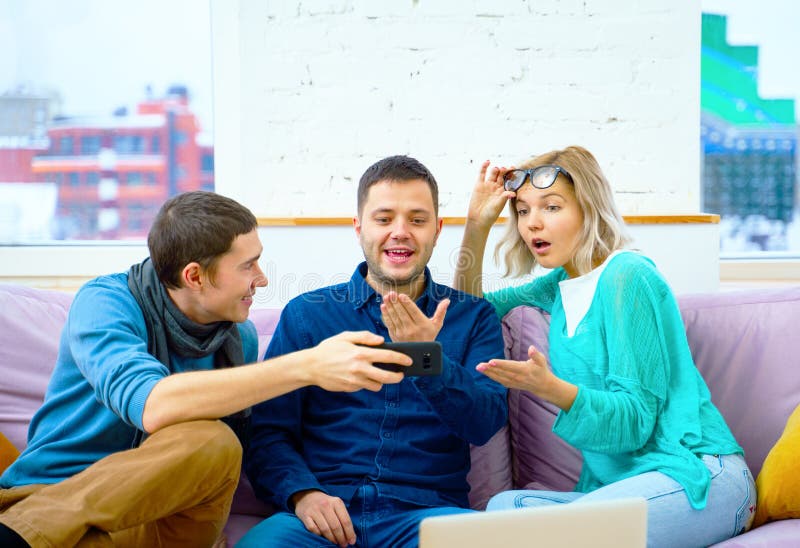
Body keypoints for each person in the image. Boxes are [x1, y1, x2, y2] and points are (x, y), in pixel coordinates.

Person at [0, 191, 413, 547]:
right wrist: (305, 365)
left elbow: (225, 460)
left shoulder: (239, 338)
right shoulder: (106, 303)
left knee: (214, 442)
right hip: (52, 499)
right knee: (203, 434)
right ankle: (24, 531)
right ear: (195, 276)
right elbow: (151, 404)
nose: (262, 279)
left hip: (155, 526)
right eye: (247, 265)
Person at [454, 146, 756, 547]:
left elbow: (635, 422)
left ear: (588, 207)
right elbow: (467, 315)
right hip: (623, 489)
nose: (533, 224)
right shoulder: (557, 285)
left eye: (552, 207)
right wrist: (476, 223)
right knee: (502, 510)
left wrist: (549, 388)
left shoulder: (626, 276)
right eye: (524, 211)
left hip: (700, 476)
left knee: (547, 533)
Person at [238, 156, 508, 548]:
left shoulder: (473, 316)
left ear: (437, 230)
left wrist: (423, 356)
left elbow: (484, 424)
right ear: (359, 227)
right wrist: (302, 494)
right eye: (384, 219)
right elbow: (268, 433)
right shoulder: (308, 315)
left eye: (417, 220)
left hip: (426, 517)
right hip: (322, 517)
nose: (400, 232)